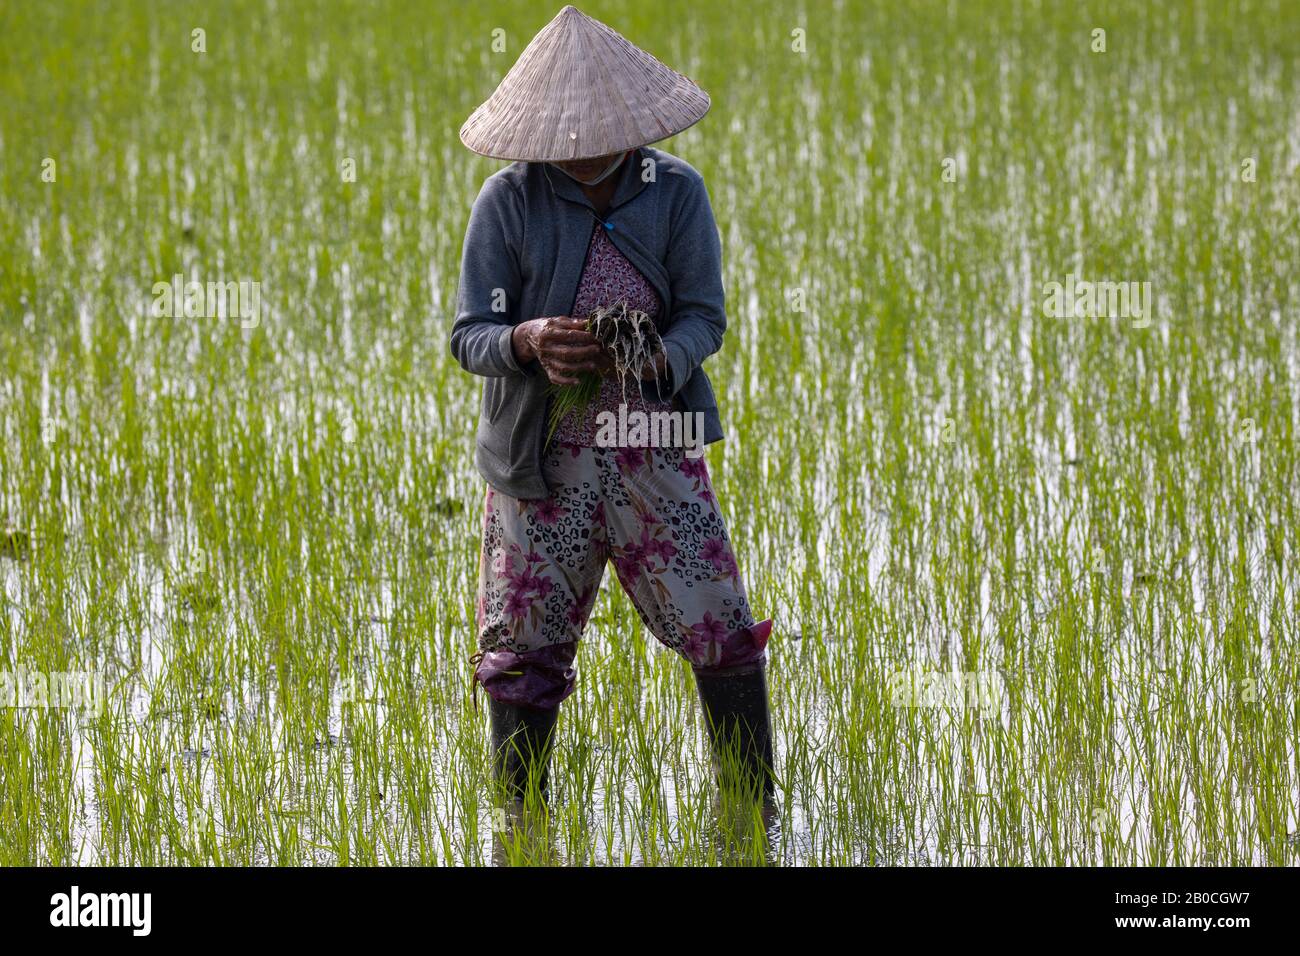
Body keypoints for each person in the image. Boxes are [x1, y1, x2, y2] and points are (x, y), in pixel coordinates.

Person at [450, 5, 775, 816]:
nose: (588, 152)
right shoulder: (509, 202)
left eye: (604, 137)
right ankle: (519, 824)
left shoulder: (675, 193)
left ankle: (751, 809)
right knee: (524, 646)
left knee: (720, 623)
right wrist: (528, 340)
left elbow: (705, 316)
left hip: (652, 440)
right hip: (541, 455)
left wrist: (660, 356)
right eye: (571, 140)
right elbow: (469, 334)